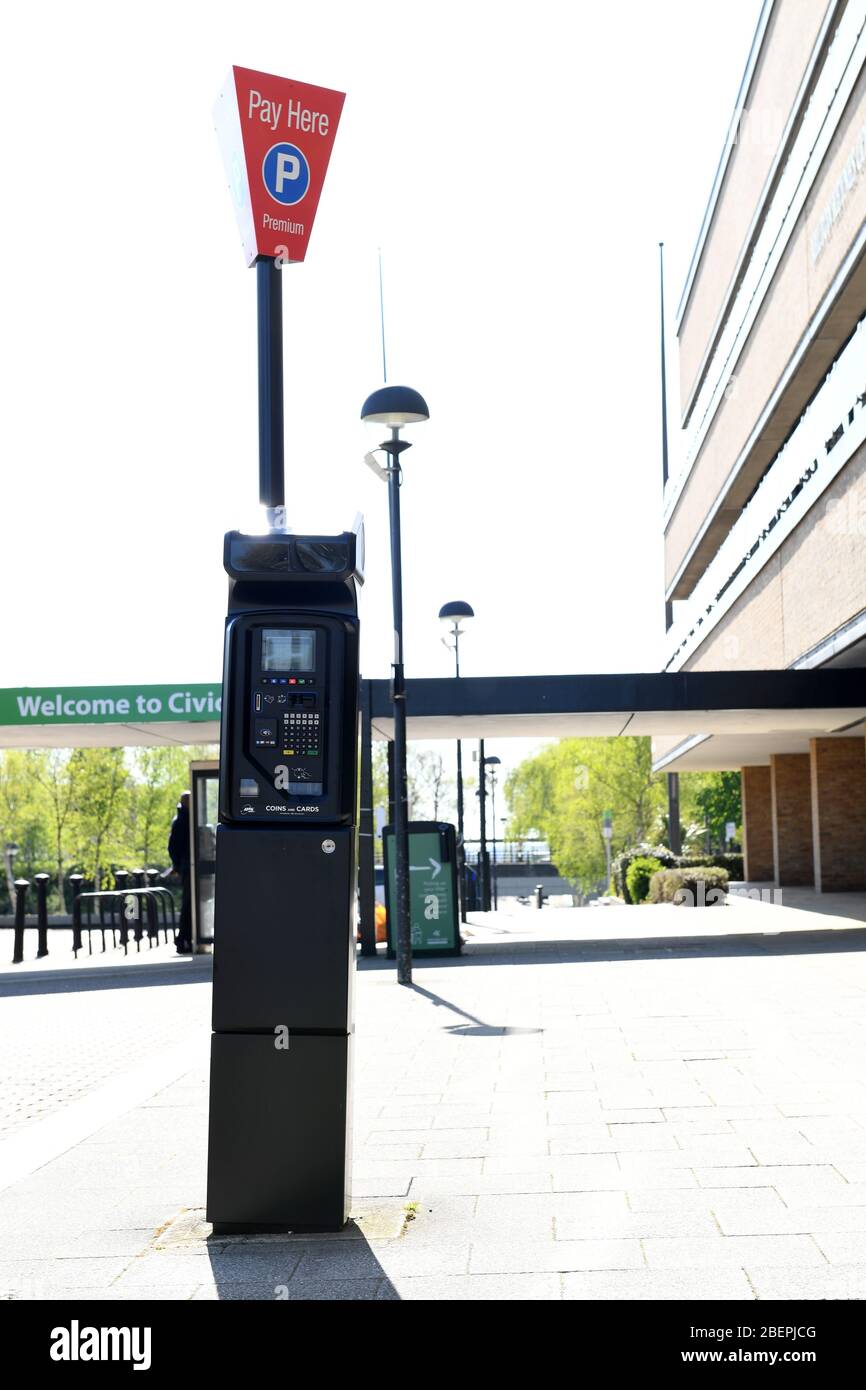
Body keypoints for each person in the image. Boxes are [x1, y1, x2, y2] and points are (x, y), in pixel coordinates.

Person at [168, 790, 192, 954]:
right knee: (188, 904)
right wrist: (178, 865)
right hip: (187, 866)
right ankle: (183, 938)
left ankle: (186, 938)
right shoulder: (182, 821)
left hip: (186, 866)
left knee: (189, 904)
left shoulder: (184, 819)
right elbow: (173, 847)